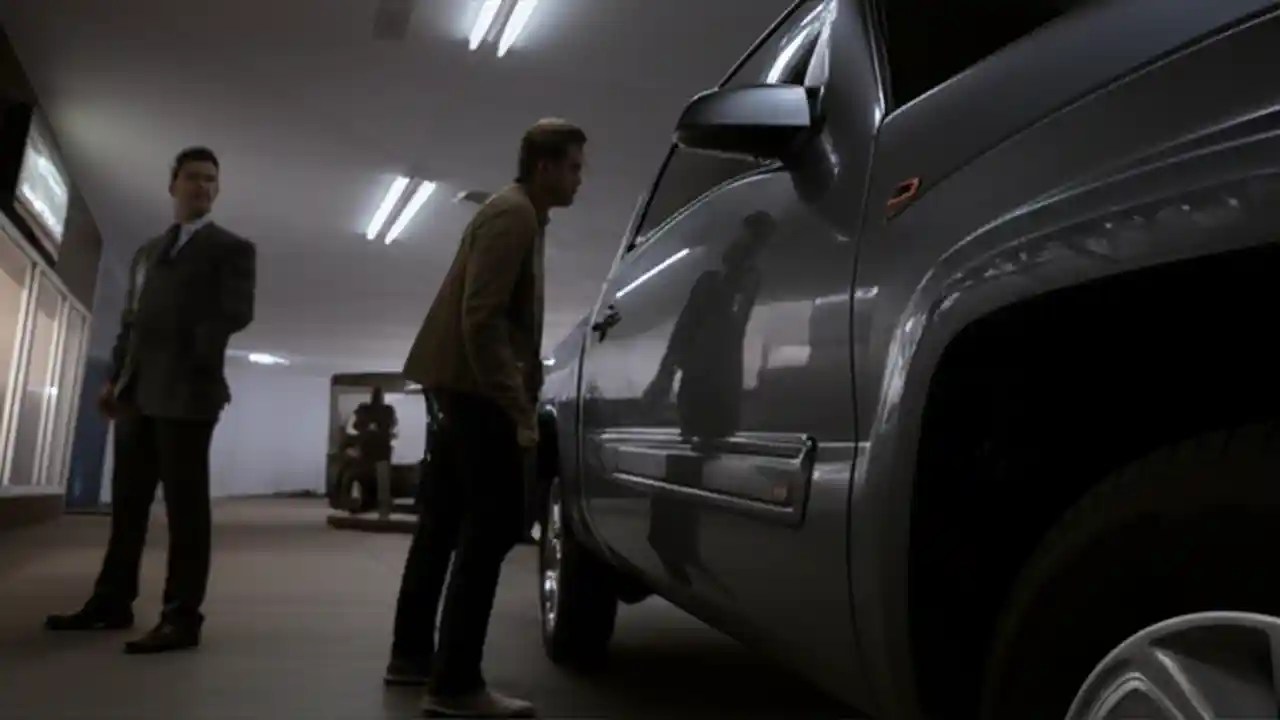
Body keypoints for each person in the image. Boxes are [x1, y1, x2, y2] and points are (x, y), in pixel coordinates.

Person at [386, 119, 586, 718]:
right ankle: (455, 685)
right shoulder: (515, 214)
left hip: (454, 388)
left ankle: (413, 659)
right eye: (575, 166)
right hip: (477, 394)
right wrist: (518, 407)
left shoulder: (517, 213)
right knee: (490, 532)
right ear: (545, 166)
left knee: (442, 528)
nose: (581, 178)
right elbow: (482, 318)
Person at [44, 147, 256, 655]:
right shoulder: (145, 253)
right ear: (173, 185)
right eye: (193, 178)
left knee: (186, 513)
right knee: (128, 507)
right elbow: (130, 323)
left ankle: (182, 618)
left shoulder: (232, 249)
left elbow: (234, 313)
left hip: (187, 394)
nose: (202, 187)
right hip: (136, 395)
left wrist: (187, 355)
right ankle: (112, 602)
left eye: (210, 180)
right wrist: (115, 378)